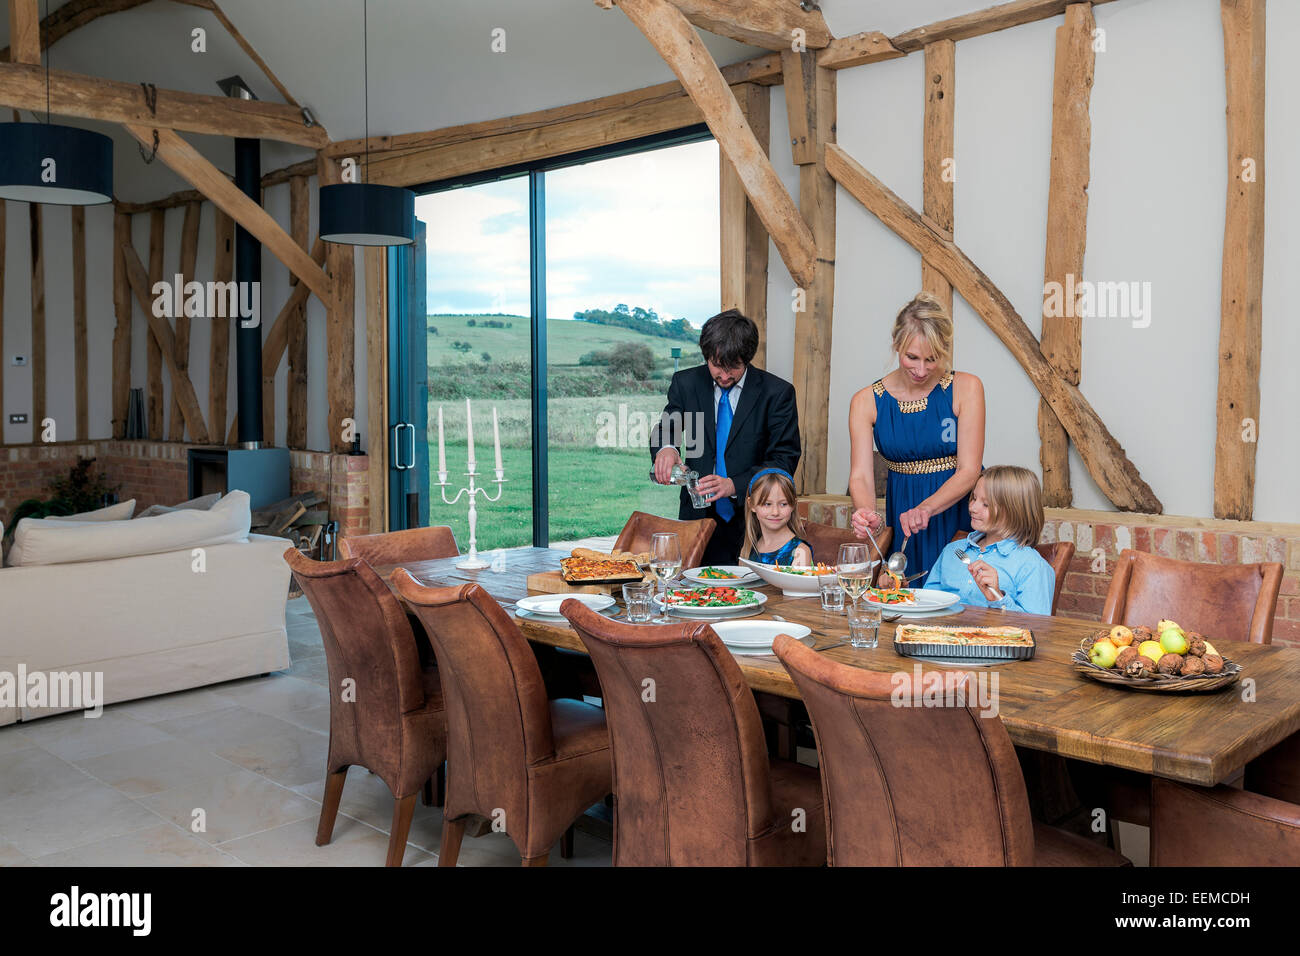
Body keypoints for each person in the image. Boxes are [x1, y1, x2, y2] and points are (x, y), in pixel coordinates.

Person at [847, 292, 984, 578]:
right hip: (904, 511)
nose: (921, 370)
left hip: (956, 509)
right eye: (912, 357)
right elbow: (860, 476)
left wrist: (926, 508)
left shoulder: (966, 388)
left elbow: (969, 470)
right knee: (906, 593)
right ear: (896, 344)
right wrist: (865, 513)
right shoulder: (866, 401)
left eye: (931, 359)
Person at [651, 309, 801, 566]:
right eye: (716, 365)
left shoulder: (777, 393)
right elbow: (668, 425)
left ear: (748, 358)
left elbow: (784, 459)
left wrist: (734, 485)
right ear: (706, 356)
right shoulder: (686, 383)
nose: (724, 375)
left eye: (733, 367)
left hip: (754, 521)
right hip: (695, 518)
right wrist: (666, 448)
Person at [922, 466, 1055, 615]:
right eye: (973, 498)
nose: (972, 507)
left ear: (1014, 511)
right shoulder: (952, 551)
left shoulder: (1033, 566)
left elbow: (1038, 628)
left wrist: (997, 597)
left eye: (986, 504)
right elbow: (928, 602)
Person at [741, 469, 812, 566]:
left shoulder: (800, 552)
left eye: (783, 504)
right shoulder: (748, 549)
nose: (775, 512)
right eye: (767, 504)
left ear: (794, 505)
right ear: (751, 504)